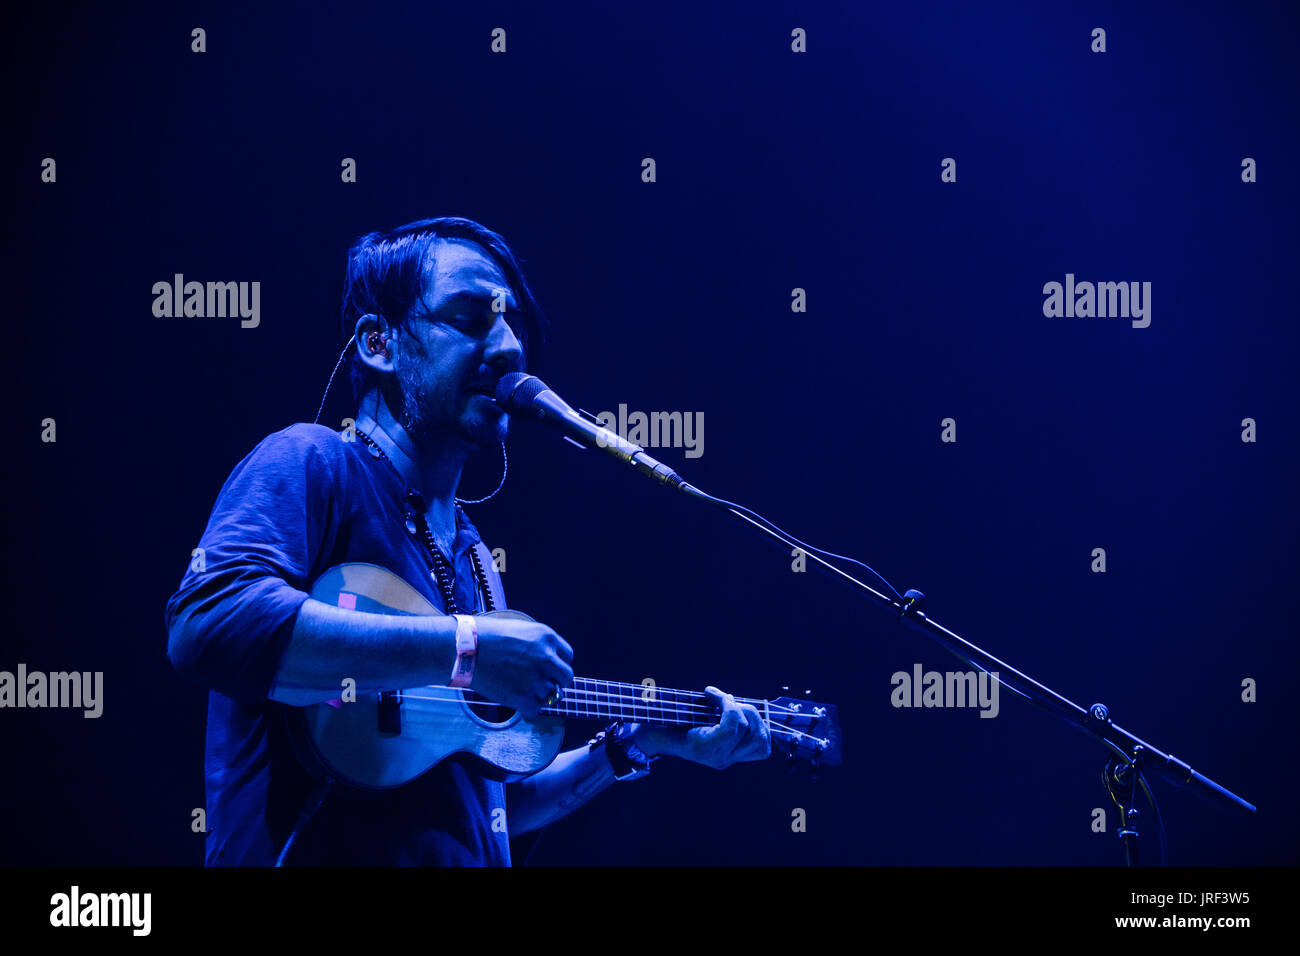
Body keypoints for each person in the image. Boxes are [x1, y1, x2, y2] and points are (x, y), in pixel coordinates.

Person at [164, 216, 770, 865]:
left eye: (512, 324)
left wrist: (635, 744)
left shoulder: (475, 557)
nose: (509, 348)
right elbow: (211, 622)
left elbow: (486, 805)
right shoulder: (312, 462)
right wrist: (466, 649)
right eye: (471, 318)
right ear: (379, 343)